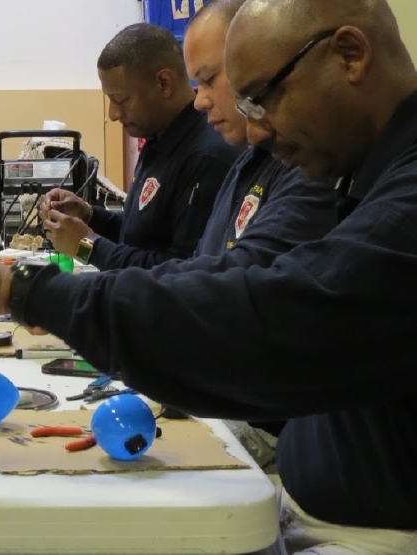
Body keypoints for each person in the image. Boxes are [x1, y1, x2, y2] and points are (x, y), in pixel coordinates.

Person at [0, 0, 417, 552]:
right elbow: (223, 277)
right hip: (310, 508)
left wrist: (18, 289)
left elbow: (264, 314)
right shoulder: (357, 173)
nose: (255, 126)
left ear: (349, 56)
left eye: (263, 95)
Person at [44, 0, 341, 471]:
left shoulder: (234, 158)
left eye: (210, 80)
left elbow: (208, 278)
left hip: (255, 415)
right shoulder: (239, 157)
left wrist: (77, 260)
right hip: (214, 381)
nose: (203, 101)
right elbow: (176, 255)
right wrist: (95, 220)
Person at [42, 23, 242, 270]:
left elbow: (183, 272)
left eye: (120, 100)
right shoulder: (160, 139)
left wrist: (87, 246)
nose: (113, 114)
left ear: (164, 83)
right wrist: (89, 215)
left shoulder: (206, 157)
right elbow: (141, 236)